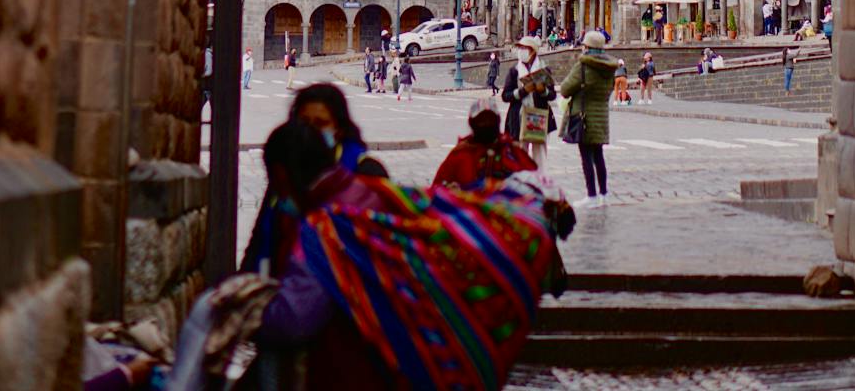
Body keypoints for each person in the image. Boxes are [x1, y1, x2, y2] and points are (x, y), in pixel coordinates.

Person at [252, 119, 566, 384]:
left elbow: (294, 319)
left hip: (362, 371)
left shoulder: (324, 228)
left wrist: (243, 310)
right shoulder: (373, 192)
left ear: (281, 175)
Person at [240, 83, 386, 275]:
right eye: (305, 122)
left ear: (339, 128)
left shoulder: (366, 170)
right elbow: (260, 236)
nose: (311, 130)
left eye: (321, 123)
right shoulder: (286, 169)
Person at [558, 29, 617, 204]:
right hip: (601, 116)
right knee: (598, 155)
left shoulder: (583, 66)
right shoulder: (609, 69)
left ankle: (591, 195)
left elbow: (565, 89)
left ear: (587, 47)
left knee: (586, 157)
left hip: (583, 116)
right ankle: (604, 193)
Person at [433, 99, 536, 191]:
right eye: (481, 121)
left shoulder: (512, 151)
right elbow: (436, 189)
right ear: (472, 123)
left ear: (497, 121)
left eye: (490, 120)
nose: (486, 124)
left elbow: (535, 182)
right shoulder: (460, 154)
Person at [501, 35, 556, 167]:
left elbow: (552, 95)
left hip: (538, 115)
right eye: (520, 48)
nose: (521, 51)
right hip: (519, 117)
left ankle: (539, 180)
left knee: (539, 154)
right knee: (520, 152)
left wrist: (542, 90)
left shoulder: (543, 70)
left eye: (525, 48)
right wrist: (523, 91)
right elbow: (505, 96)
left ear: (532, 51)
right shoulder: (514, 71)